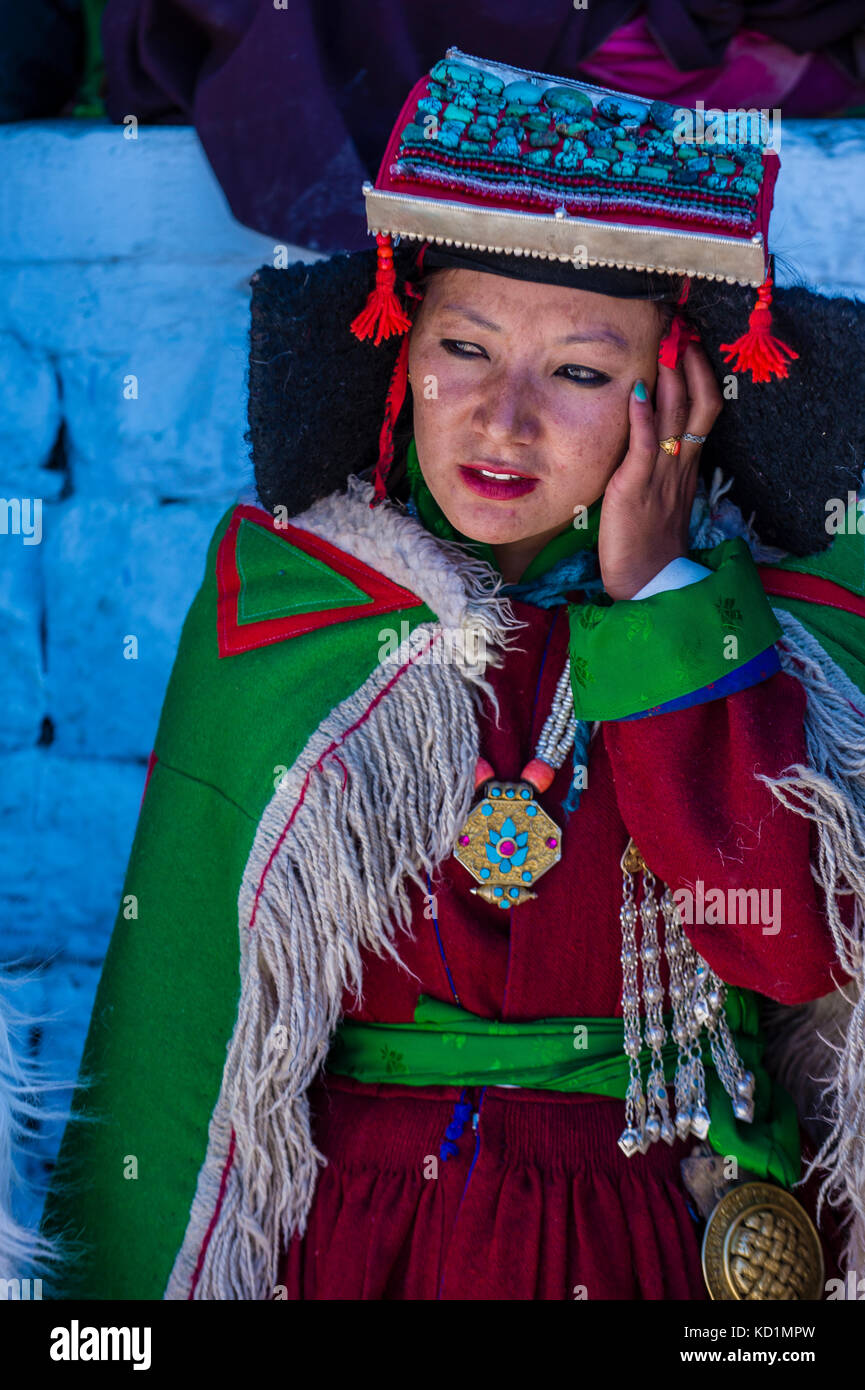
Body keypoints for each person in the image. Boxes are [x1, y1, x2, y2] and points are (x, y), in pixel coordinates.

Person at [41, 49, 865, 1301]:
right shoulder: (290, 611)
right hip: (365, 1247)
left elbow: (794, 950)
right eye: (463, 349)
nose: (502, 418)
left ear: (675, 392)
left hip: (652, 1238)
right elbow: (173, 1045)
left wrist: (656, 605)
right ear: (397, 340)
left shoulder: (760, 636)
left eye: (581, 373)